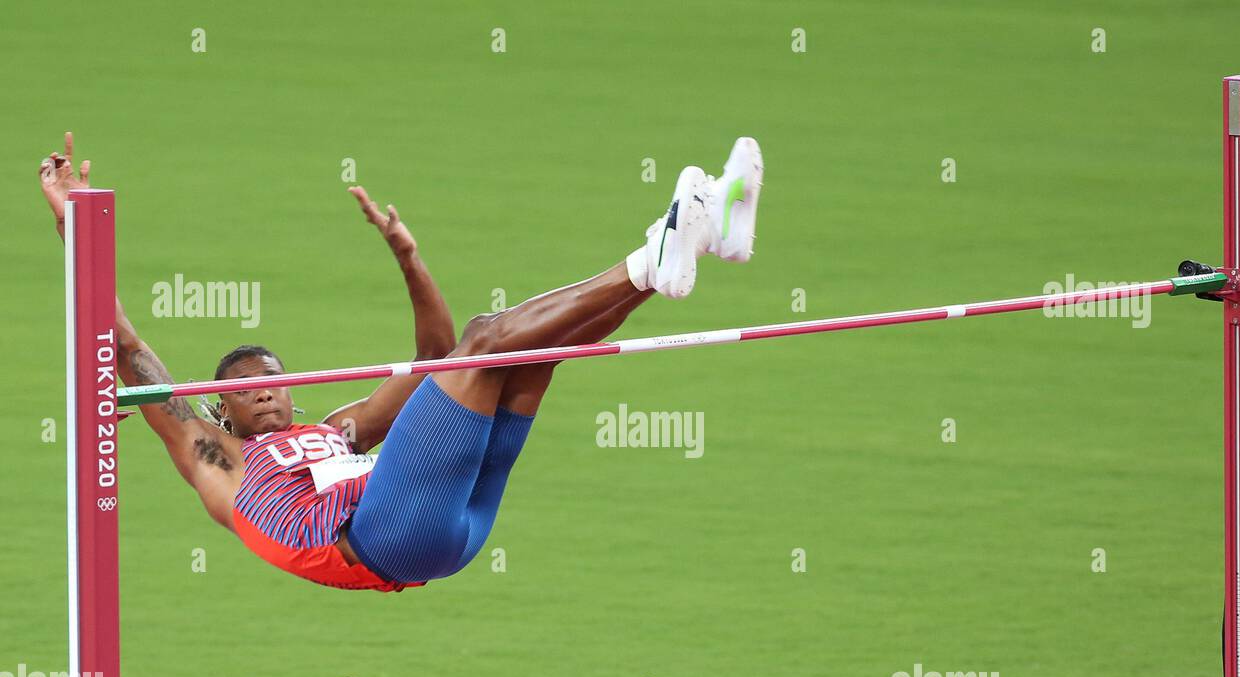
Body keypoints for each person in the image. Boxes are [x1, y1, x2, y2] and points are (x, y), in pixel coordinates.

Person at [42, 132, 763, 591]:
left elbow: (429, 362)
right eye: (244, 389)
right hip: (382, 537)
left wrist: (409, 259)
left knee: (525, 358)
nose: (264, 393)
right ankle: (652, 257)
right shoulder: (219, 460)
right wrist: (73, 225)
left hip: (451, 528)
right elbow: (130, 353)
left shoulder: (341, 431)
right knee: (486, 337)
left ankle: (697, 241)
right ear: (219, 409)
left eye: (273, 380)